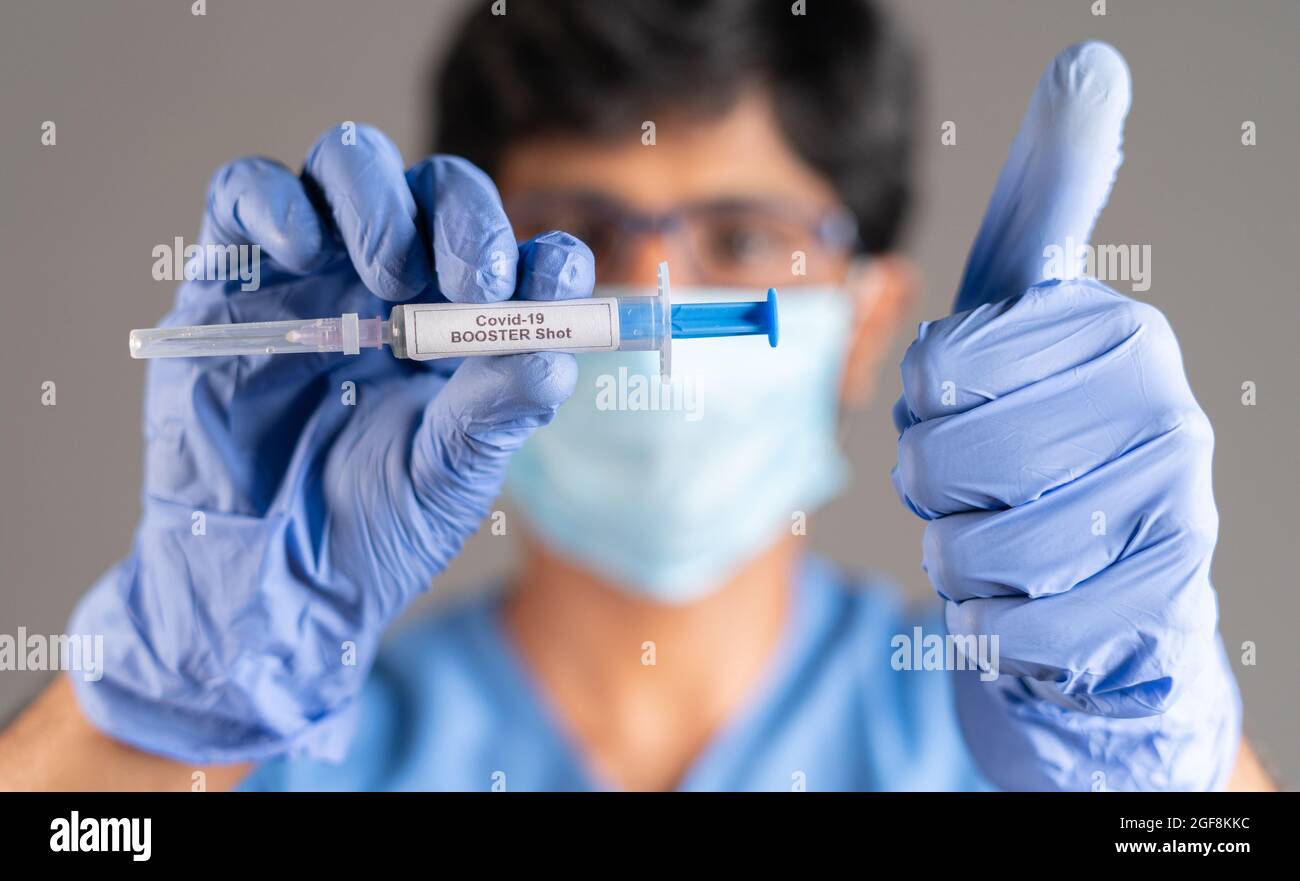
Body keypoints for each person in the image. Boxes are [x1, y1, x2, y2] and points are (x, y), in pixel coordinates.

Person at [0, 0, 1272, 792]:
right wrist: (167, 705)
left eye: (740, 237)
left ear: (866, 319)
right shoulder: (261, 755)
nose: (651, 305)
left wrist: (1156, 788)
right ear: (451, 306)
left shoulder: (1022, 728)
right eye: (580, 234)